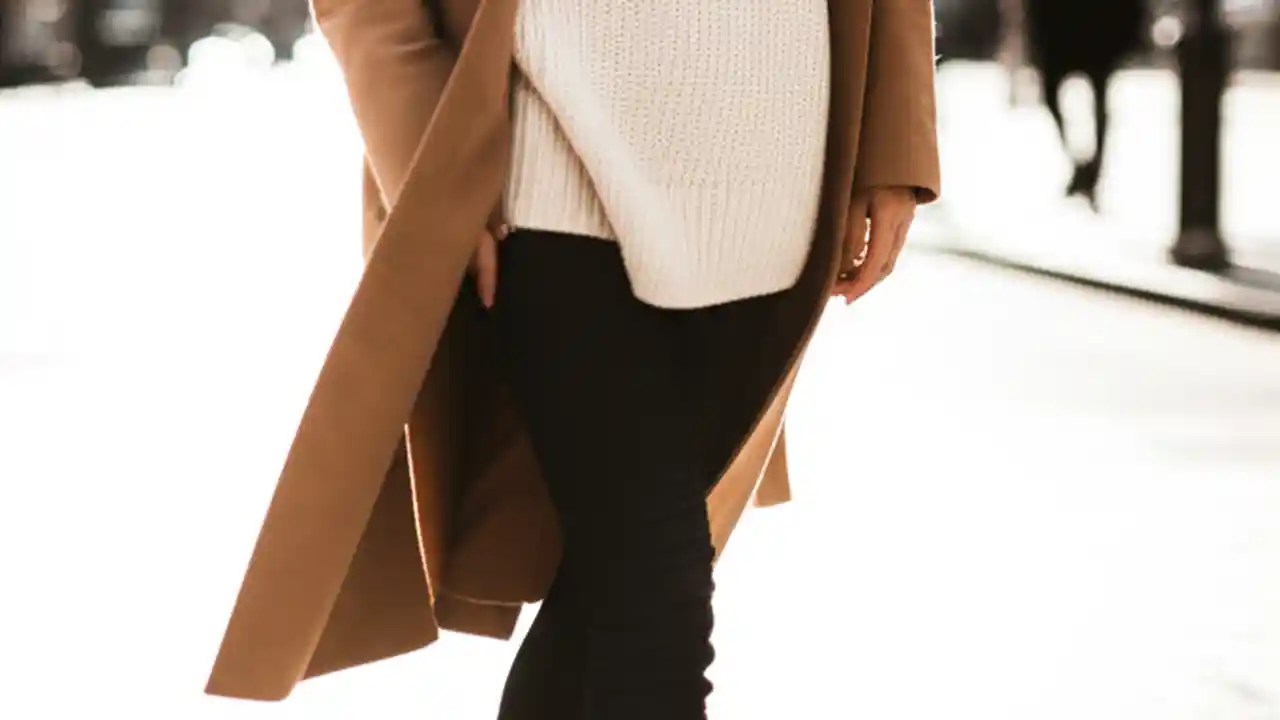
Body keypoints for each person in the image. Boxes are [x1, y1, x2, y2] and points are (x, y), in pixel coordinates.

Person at [204, 1, 941, 718]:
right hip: (548, 165)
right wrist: (427, 156)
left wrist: (892, 143)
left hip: (773, 183)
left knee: (611, 596)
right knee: (655, 599)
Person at [1022, 0, 1147, 209]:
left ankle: (1090, 169)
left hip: (1086, 26)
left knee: (1092, 98)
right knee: (1073, 96)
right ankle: (1087, 168)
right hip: (1072, 26)